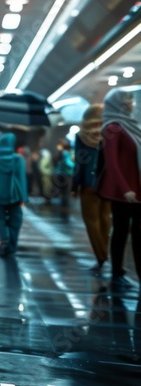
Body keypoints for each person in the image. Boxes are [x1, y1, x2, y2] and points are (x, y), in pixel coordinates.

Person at [97, 88, 141, 290]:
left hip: (137, 189)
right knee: (121, 230)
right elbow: (112, 163)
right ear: (118, 103)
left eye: (131, 100)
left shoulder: (133, 127)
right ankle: (116, 272)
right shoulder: (112, 128)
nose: (131, 104)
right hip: (123, 192)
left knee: (138, 232)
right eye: (127, 101)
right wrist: (125, 189)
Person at [72, 104, 111, 275]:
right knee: (105, 218)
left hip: (88, 183)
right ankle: (104, 254)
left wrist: (75, 185)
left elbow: (80, 163)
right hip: (107, 183)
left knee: (91, 220)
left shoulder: (82, 136)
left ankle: (101, 256)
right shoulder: (110, 134)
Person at [0, 133, 28, 257]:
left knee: (0, 219)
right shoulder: (18, 159)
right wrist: (23, 197)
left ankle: (4, 240)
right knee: (16, 220)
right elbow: (21, 179)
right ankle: (12, 245)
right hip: (14, 196)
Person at [54, 140, 75, 207]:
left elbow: (65, 162)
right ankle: (65, 205)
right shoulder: (66, 153)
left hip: (62, 174)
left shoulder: (64, 153)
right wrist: (74, 166)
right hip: (65, 174)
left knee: (63, 191)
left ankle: (64, 205)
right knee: (65, 191)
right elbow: (67, 162)